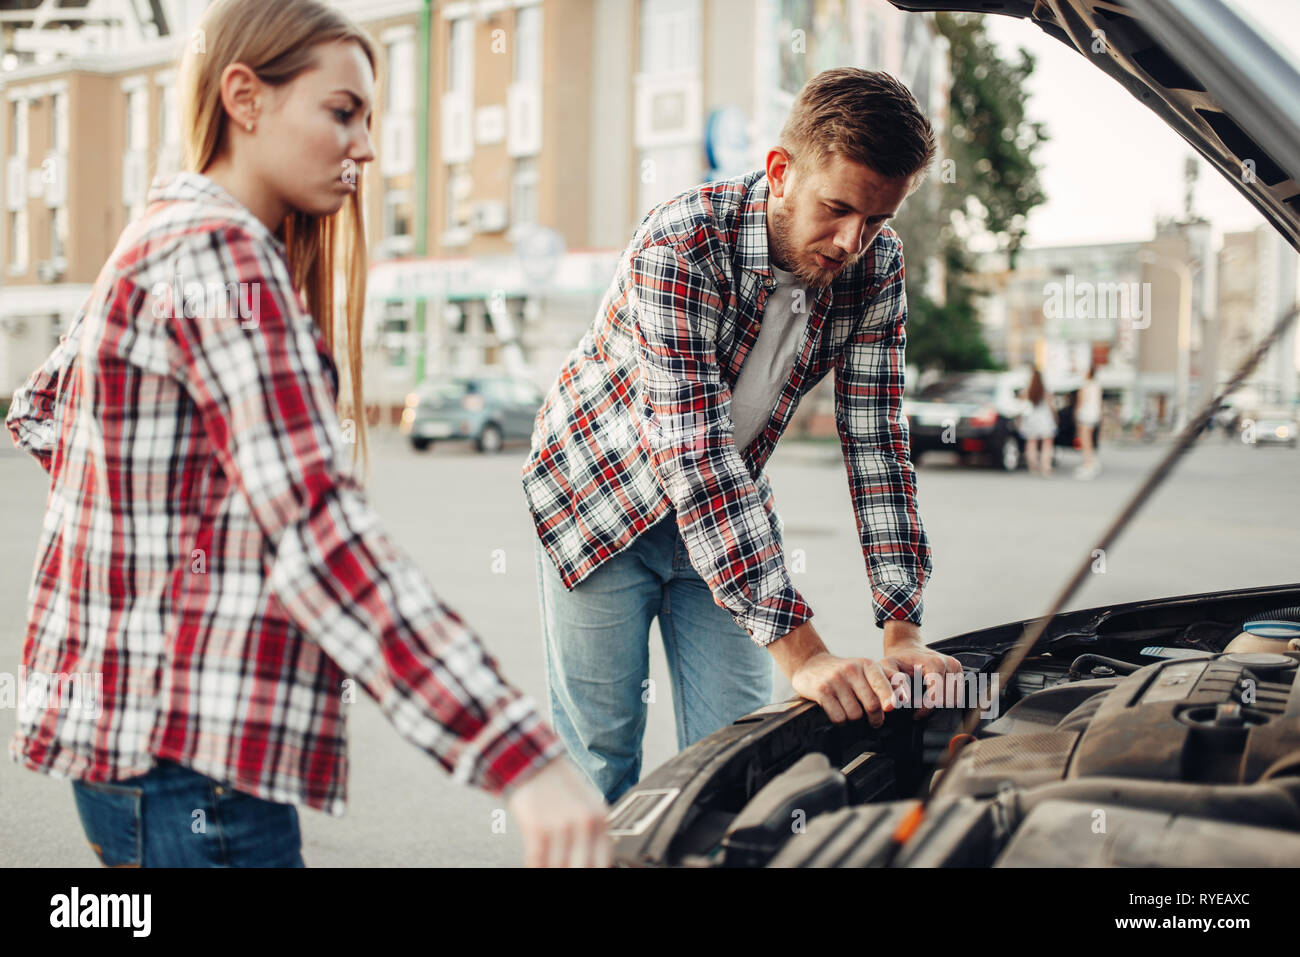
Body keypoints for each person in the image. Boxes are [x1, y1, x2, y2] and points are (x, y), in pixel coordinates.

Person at [5, 0, 608, 868]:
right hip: (194, 765)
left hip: (131, 755)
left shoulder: (155, 237)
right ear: (244, 97)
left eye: (370, 119)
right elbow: (321, 538)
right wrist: (523, 758)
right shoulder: (223, 260)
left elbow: (48, 412)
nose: (365, 145)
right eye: (342, 111)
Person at [522, 68, 962, 804]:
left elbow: (877, 446)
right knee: (601, 764)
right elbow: (694, 452)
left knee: (743, 758)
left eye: (878, 220)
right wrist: (808, 654)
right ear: (781, 172)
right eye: (839, 208)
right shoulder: (682, 243)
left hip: (722, 527)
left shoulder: (875, 269)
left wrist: (902, 626)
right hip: (596, 506)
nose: (853, 241)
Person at [1019, 368, 1057, 477]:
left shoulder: (1027, 389)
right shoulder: (1046, 389)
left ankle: (1033, 466)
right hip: (1044, 419)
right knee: (1047, 444)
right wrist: (1055, 418)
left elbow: (1022, 405)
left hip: (1031, 419)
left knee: (1031, 443)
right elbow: (1051, 405)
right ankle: (1046, 467)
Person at [1074, 363, 1102, 479]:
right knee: (1090, 441)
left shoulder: (1085, 386)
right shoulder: (1096, 386)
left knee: (1085, 442)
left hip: (1085, 416)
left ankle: (1088, 465)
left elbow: (1081, 403)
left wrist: (1075, 414)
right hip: (1094, 416)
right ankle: (1092, 463)